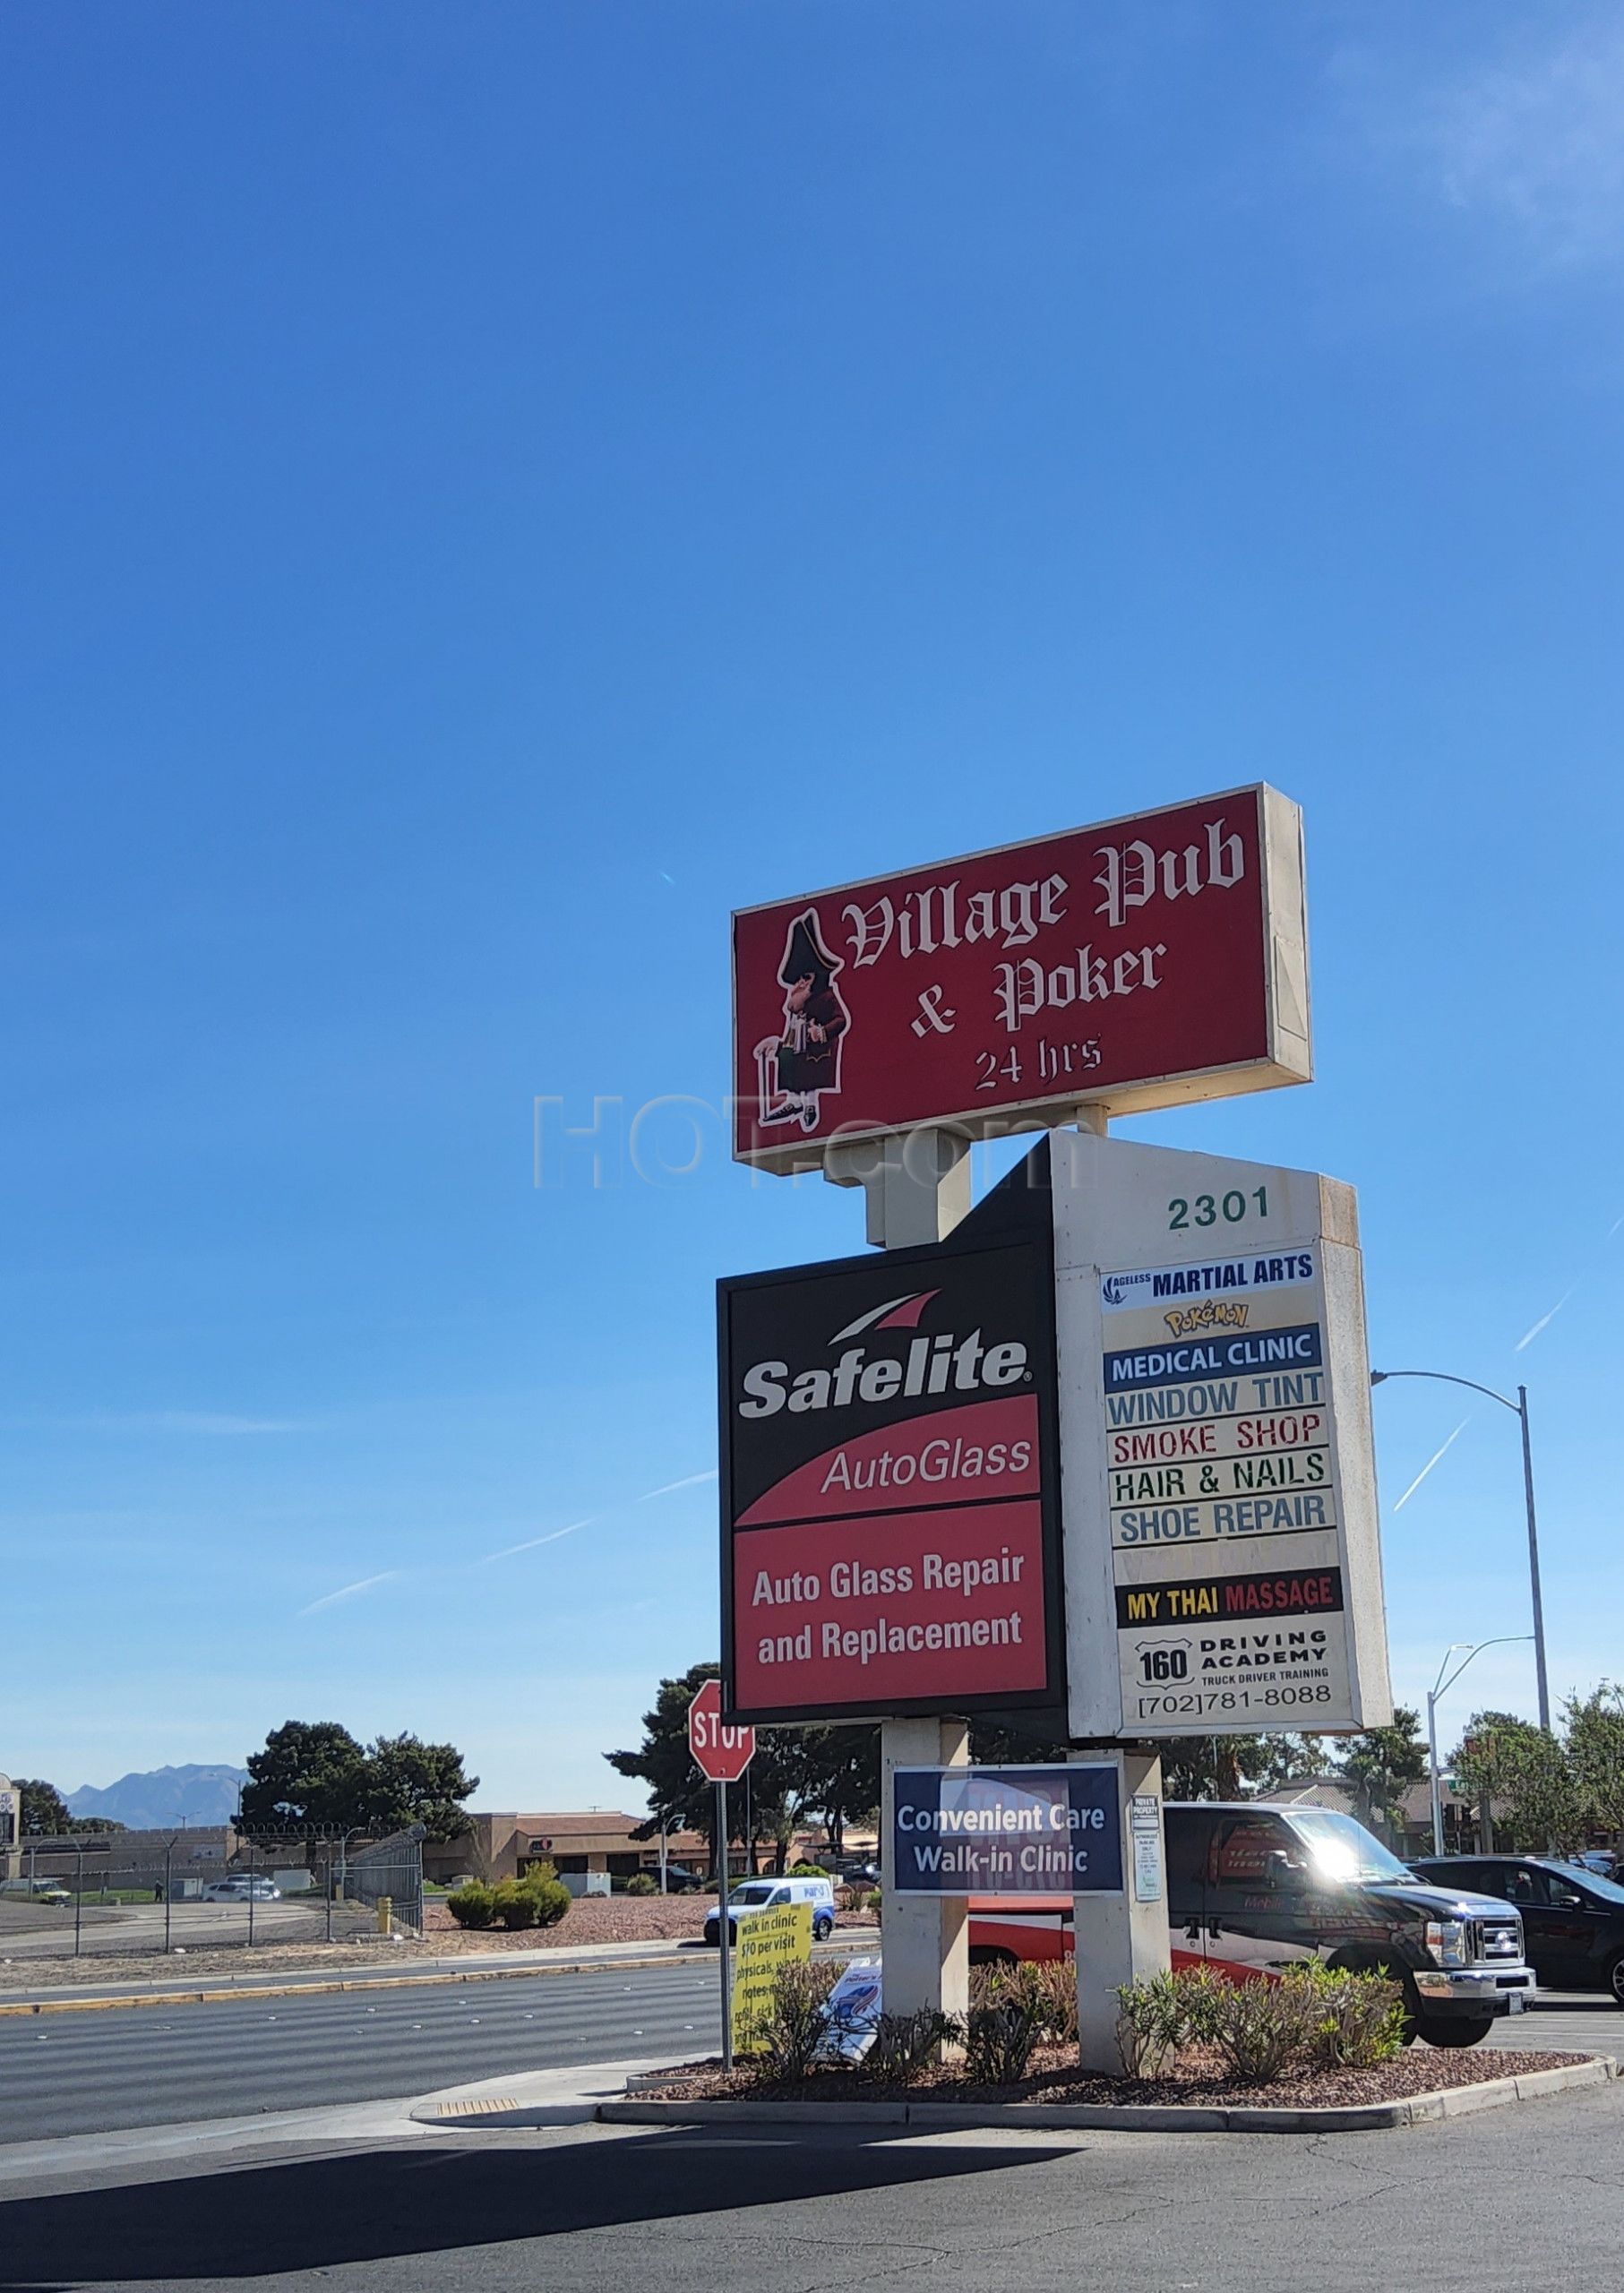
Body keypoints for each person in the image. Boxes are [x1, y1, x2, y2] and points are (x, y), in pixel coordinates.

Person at [754, 909, 850, 1132]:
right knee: (787, 1057)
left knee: (807, 1069)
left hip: (818, 1051)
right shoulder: (796, 1006)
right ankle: (794, 1102)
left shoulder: (826, 997)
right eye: (798, 978)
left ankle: (808, 1105)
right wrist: (775, 1044)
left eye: (805, 977)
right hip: (796, 1048)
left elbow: (841, 1020)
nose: (800, 983)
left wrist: (822, 1032)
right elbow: (788, 1036)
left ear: (815, 977)